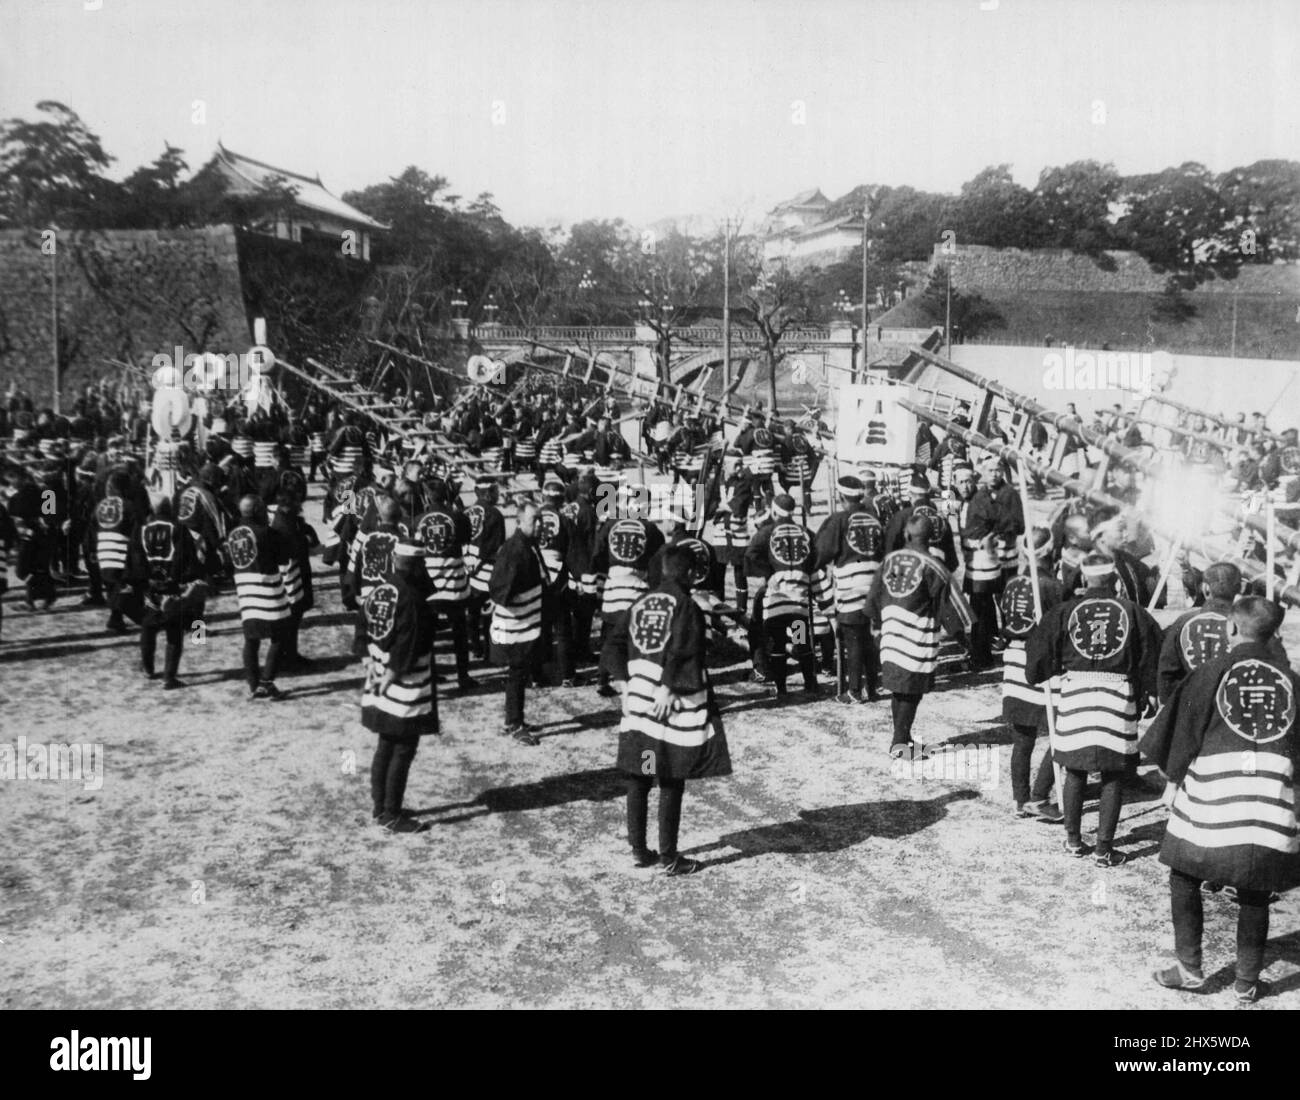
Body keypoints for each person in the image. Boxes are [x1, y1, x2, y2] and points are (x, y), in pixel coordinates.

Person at [1140, 597, 1299, 1004]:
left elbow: (1180, 736)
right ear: (1276, 633)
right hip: (1270, 797)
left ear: (1231, 628)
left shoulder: (1210, 673)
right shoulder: (1292, 681)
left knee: (1184, 873)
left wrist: (1173, 779)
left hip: (1214, 793)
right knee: (1255, 890)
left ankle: (1190, 968)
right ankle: (1246, 982)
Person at [1025, 554, 1162, 865]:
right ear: (1114, 576)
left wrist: (1043, 667)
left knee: (1075, 768)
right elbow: (1150, 656)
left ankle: (1073, 841)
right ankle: (1104, 849)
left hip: (1076, 693)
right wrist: (1150, 691)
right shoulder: (1133, 612)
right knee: (1113, 773)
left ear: (1084, 578)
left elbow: (1038, 657)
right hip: (1116, 696)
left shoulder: (1064, 611)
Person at [616, 544, 732, 875]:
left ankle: (639, 849)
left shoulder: (640, 602)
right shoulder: (686, 605)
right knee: (670, 776)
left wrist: (625, 684)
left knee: (640, 773)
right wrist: (668, 685)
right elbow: (684, 648)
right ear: (690, 574)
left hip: (638, 700)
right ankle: (669, 856)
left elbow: (612, 644)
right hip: (669, 704)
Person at [867, 514, 971, 758]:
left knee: (899, 690)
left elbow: (873, 597)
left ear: (906, 534)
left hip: (891, 634)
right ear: (931, 538)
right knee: (911, 692)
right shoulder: (935, 566)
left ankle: (902, 739)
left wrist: (875, 625)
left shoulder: (889, 560)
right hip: (917, 638)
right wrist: (965, 642)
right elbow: (952, 611)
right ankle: (900, 744)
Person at [362, 541, 438, 834]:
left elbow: (362, 628)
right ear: (419, 565)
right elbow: (410, 645)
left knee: (385, 744)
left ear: (395, 560)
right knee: (404, 747)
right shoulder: (413, 599)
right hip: (404, 684)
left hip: (379, 676)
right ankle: (391, 813)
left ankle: (380, 805)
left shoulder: (380, 589)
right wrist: (392, 675)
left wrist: (370, 665)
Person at [999, 527, 1064, 820]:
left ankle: (1021, 799)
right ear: (1050, 551)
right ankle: (1039, 796)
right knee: (1062, 731)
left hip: (1014, 659)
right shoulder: (1052, 586)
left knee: (1022, 737)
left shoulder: (1012, 582)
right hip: (1042, 664)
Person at [815, 475, 885, 704]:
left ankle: (854, 690)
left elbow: (822, 553)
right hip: (874, 587)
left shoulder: (839, 520)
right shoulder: (874, 518)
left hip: (851, 587)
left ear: (841, 495)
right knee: (869, 639)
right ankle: (873, 688)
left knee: (853, 640)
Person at [744, 494, 820, 698]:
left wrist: (769, 573)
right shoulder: (806, 533)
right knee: (802, 642)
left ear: (774, 511)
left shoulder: (768, 532)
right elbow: (817, 558)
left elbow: (750, 555)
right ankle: (811, 684)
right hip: (799, 603)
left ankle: (782, 690)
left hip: (776, 601)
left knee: (777, 645)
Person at [129, 496, 205, 690]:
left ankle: (147, 668)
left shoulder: (141, 528)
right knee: (174, 631)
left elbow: (136, 557)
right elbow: (184, 556)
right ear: (169, 507)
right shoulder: (178, 528)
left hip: (150, 586)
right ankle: (169, 677)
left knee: (148, 626)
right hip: (172, 586)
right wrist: (178, 580)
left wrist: (145, 580)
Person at [489, 500, 546, 745]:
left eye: (541, 519)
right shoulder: (515, 549)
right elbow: (499, 588)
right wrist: (517, 598)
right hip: (516, 626)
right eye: (535, 520)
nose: (540, 525)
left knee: (520, 674)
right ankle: (514, 723)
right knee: (517, 674)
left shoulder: (528, 545)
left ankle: (515, 719)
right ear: (520, 522)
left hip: (526, 624)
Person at [226, 495, 291, 700]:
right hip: (268, 588)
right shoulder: (267, 533)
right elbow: (283, 559)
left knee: (251, 639)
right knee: (280, 636)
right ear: (257, 511)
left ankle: (253, 685)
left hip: (245, 590)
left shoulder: (233, 533)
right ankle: (266, 682)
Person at [414, 481, 474, 693]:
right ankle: (463, 676)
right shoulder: (459, 517)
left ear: (428, 497)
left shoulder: (418, 520)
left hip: (430, 584)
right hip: (454, 582)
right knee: (459, 631)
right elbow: (466, 541)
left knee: (427, 633)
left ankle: (430, 674)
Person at [1157, 561, 1240, 703]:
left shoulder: (1183, 622)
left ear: (1205, 588)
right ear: (1239, 588)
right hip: (1233, 705)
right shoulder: (1248, 624)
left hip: (1191, 705)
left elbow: (1167, 672)